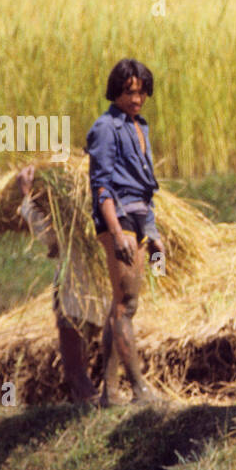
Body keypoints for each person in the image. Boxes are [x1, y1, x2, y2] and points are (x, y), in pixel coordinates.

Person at [86, 58, 166, 405]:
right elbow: (101, 185)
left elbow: (145, 187)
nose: (136, 99)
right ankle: (139, 389)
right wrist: (116, 232)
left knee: (121, 303)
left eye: (141, 92)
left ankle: (110, 391)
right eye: (128, 92)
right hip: (117, 217)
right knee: (127, 303)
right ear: (116, 92)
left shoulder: (139, 126)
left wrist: (153, 230)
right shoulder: (105, 128)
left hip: (138, 215)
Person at [16, 164, 106, 404]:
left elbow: (48, 234)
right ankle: (100, 396)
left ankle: (87, 399)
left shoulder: (71, 206)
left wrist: (26, 196)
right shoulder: (108, 200)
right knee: (98, 343)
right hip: (103, 287)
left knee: (74, 363)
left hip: (73, 287)